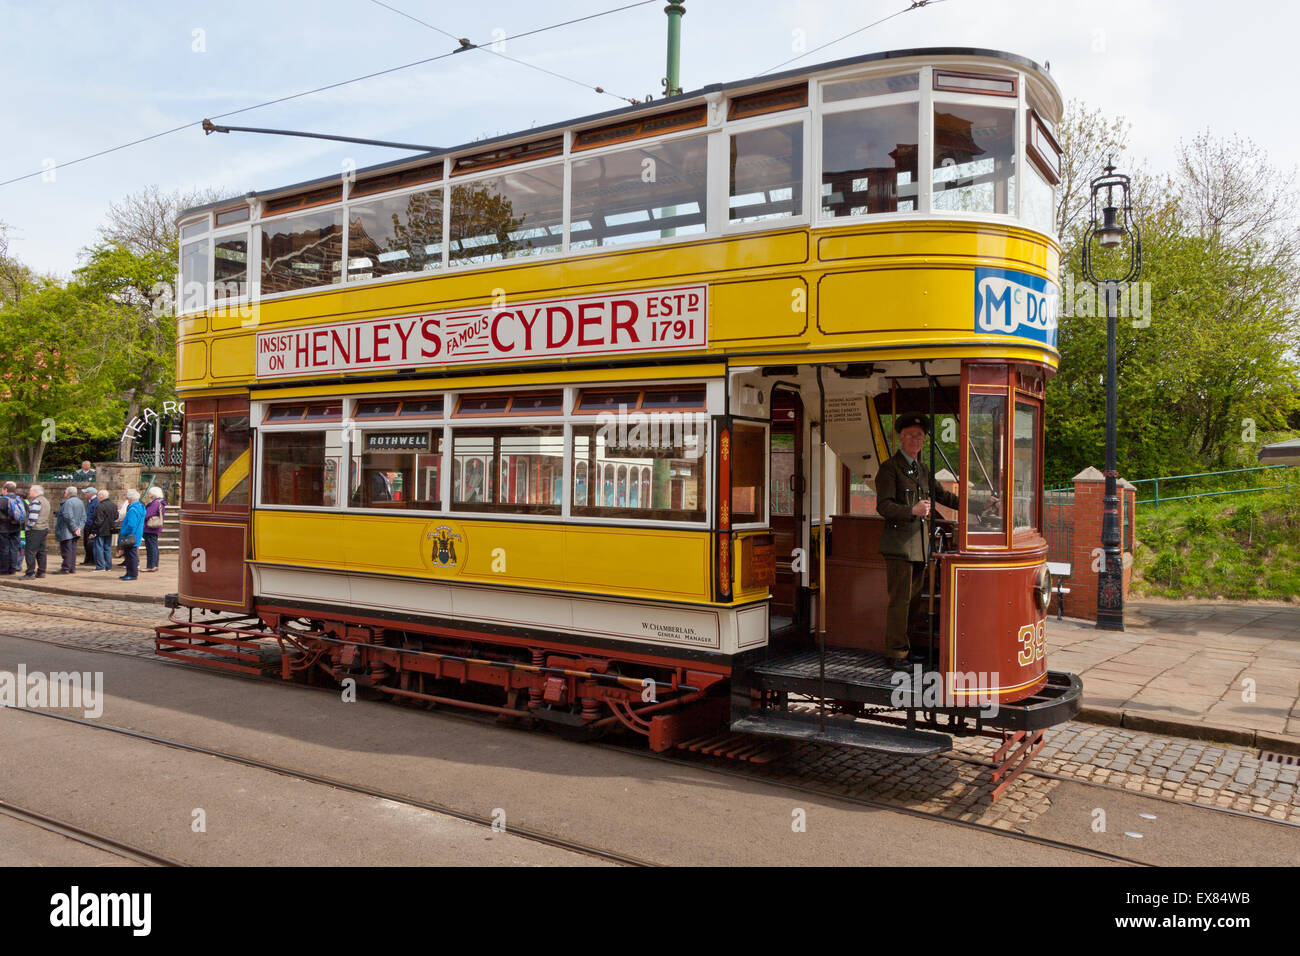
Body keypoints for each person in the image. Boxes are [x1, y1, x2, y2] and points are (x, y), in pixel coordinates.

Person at [874, 413, 960, 667]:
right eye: (910, 435)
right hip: (899, 547)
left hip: (919, 547)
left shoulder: (922, 470)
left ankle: (907, 649)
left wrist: (979, 505)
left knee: (913, 603)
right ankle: (895, 652)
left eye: (920, 436)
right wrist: (911, 510)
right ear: (901, 438)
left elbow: (944, 496)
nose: (915, 440)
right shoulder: (890, 469)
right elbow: (884, 506)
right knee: (900, 602)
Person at [54, 486, 85, 574]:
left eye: (65, 492)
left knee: (66, 550)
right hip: (76, 530)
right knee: (73, 550)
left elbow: (68, 516)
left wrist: (75, 528)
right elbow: (83, 517)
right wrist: (79, 528)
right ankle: (72, 567)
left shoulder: (68, 502)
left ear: (68, 493)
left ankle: (65, 568)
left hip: (67, 530)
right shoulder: (80, 502)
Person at [23, 483, 52, 578]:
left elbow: (33, 518)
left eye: (30, 490)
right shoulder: (45, 501)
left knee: (30, 551)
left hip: (35, 529)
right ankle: (41, 571)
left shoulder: (36, 501)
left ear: (35, 491)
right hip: (43, 528)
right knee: (41, 551)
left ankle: (30, 573)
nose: (29, 492)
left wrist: (28, 527)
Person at [118, 489, 145, 581]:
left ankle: (132, 574)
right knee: (131, 555)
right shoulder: (140, 506)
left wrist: (123, 533)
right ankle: (130, 573)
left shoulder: (133, 509)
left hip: (131, 535)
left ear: (129, 498)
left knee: (131, 556)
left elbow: (131, 525)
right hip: (136, 534)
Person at [0, 481, 24, 575]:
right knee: (14, 549)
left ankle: (4, 569)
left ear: (6, 490)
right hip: (16, 528)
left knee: (4, 549)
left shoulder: (2, 500)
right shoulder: (19, 500)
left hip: (3, 529)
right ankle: (13, 568)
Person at [92, 489, 118, 571]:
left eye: (98, 495)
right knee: (107, 548)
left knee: (99, 548)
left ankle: (100, 566)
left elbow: (98, 520)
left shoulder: (100, 506)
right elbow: (116, 516)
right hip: (110, 529)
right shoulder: (113, 505)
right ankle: (108, 566)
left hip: (101, 530)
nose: (97, 497)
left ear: (101, 496)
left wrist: (93, 531)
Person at [142, 486, 165, 572]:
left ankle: (151, 566)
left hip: (150, 528)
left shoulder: (155, 503)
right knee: (154, 547)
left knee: (151, 547)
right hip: (154, 528)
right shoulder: (160, 502)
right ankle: (154, 565)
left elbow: (147, 514)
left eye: (150, 493)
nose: (149, 495)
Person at [81, 487, 98, 565]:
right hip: (87, 525)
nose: (85, 494)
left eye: (86, 493)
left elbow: (94, 515)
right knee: (86, 543)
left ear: (91, 494)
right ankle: (87, 559)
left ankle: (92, 560)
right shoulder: (90, 501)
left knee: (90, 544)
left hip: (92, 526)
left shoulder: (96, 502)